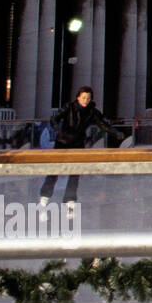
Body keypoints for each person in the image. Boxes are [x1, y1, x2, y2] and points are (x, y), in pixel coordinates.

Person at [38, 86, 122, 221]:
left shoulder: (92, 112)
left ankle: (70, 200)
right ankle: (44, 198)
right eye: (83, 98)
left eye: (88, 98)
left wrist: (115, 132)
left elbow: (103, 124)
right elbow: (54, 119)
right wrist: (58, 130)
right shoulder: (69, 107)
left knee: (75, 173)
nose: (86, 100)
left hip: (77, 144)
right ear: (78, 97)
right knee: (54, 171)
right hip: (63, 143)